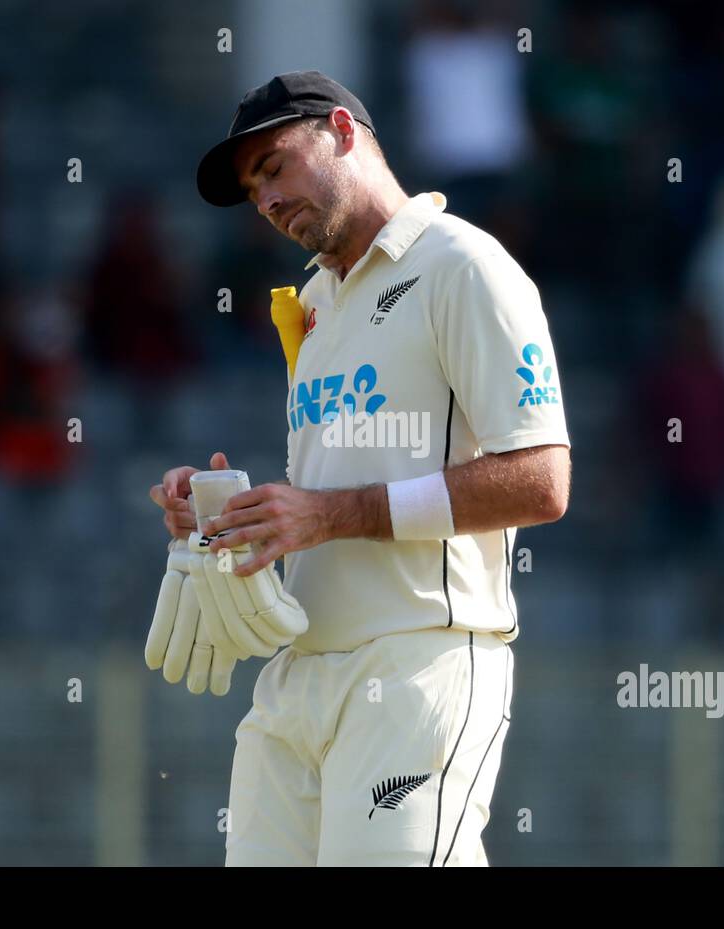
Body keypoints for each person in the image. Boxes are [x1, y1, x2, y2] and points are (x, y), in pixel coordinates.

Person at [155, 71, 571, 866]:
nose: (267, 201)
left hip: (417, 665)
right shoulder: (313, 302)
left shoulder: (464, 265)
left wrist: (331, 514)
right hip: (298, 679)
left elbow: (542, 480)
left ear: (343, 130)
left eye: (274, 166)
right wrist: (228, 522)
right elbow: (328, 496)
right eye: (252, 191)